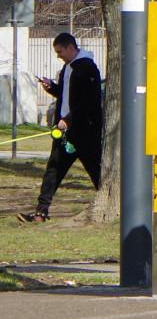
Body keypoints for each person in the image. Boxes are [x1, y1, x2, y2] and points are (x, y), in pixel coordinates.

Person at [17, 33, 104, 223]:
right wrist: (52, 88)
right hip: (66, 132)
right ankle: (41, 211)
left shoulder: (88, 68)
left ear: (71, 47)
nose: (59, 56)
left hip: (85, 131)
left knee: (97, 170)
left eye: (60, 52)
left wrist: (70, 119)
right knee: (53, 170)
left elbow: (89, 101)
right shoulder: (67, 68)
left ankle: (113, 205)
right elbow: (67, 96)